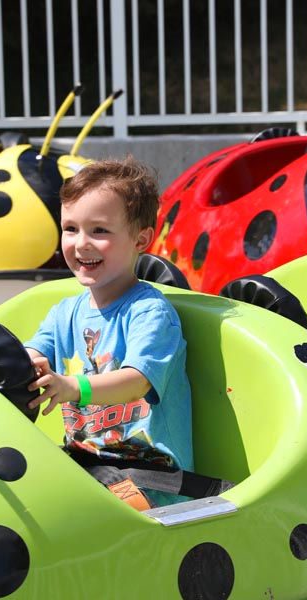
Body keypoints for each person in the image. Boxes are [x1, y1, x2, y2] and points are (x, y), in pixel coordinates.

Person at [24, 156, 193, 510]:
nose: (81, 244)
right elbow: (31, 354)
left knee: (85, 515)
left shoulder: (150, 312)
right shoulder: (64, 313)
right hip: (85, 468)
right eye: (71, 229)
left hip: (150, 480)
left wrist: (73, 387)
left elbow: (136, 382)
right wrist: (16, 365)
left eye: (99, 231)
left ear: (141, 239)